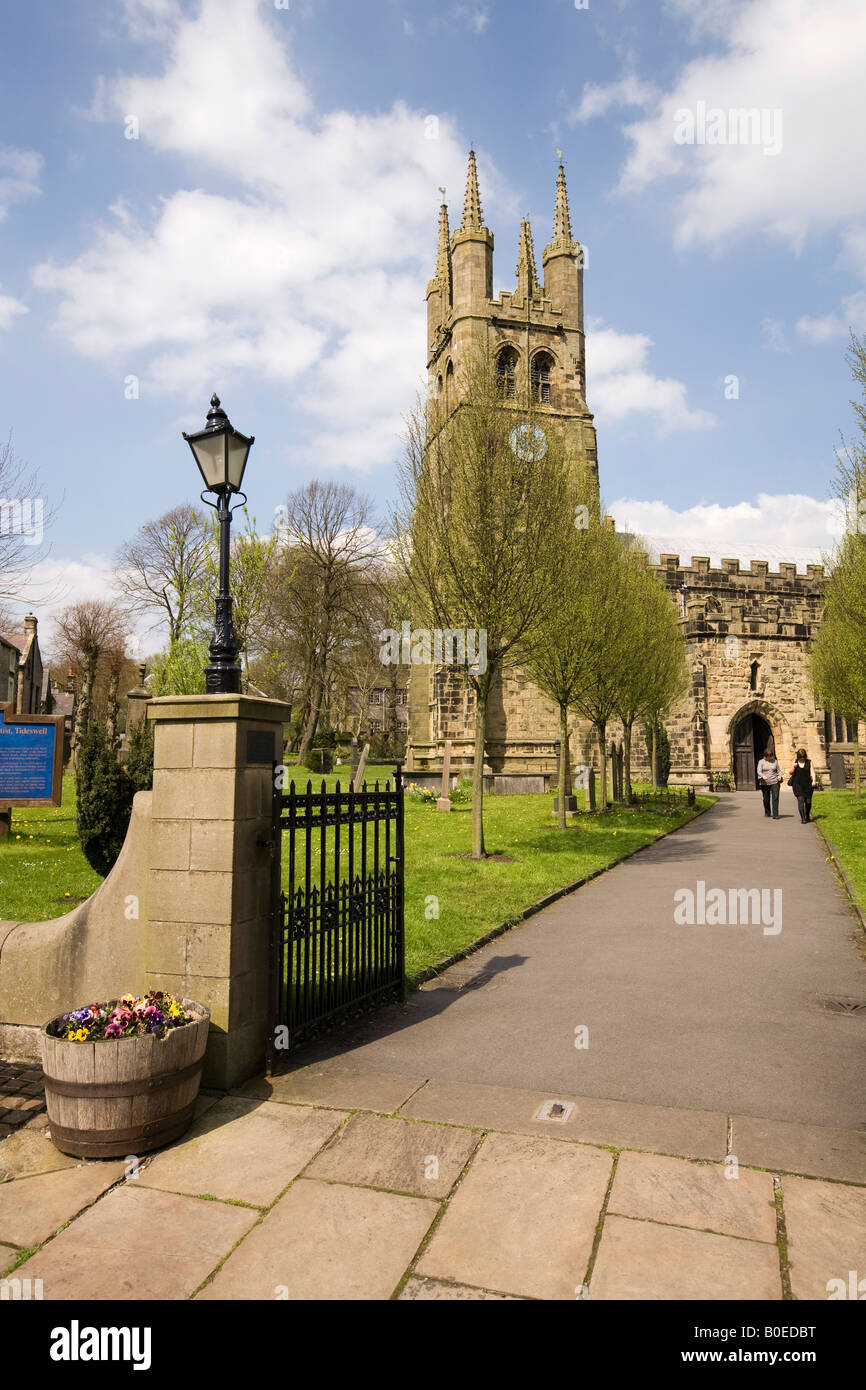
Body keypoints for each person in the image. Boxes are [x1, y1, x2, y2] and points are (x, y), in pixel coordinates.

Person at [789, 748, 815, 823]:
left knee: (808, 802)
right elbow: (790, 772)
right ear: (798, 757)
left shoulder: (809, 762)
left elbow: (812, 772)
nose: (802, 759)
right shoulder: (795, 762)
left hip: (808, 785)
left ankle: (807, 815)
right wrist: (794, 766)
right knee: (800, 800)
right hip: (797, 785)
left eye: (803, 758)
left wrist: (813, 780)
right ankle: (803, 818)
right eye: (800, 758)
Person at [756, 746, 782, 818]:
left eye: (771, 756)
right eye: (768, 757)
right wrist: (763, 776)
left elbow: (779, 771)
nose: (770, 758)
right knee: (766, 799)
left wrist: (779, 776)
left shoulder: (775, 761)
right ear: (765, 756)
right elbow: (759, 771)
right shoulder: (761, 762)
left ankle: (775, 814)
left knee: (775, 797)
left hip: (775, 781)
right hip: (765, 783)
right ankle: (767, 812)